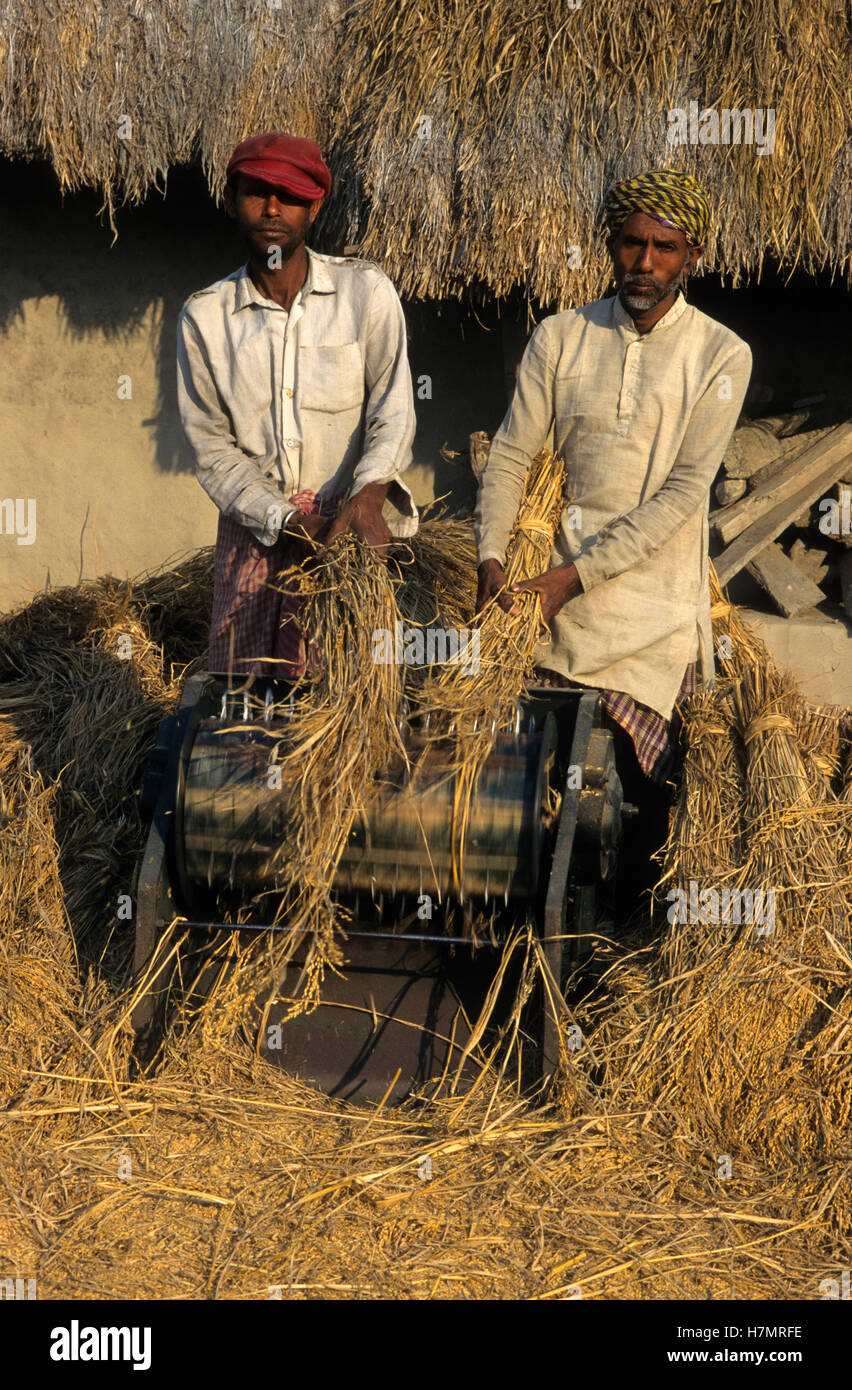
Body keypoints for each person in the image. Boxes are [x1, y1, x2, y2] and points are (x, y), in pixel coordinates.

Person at [475, 168, 752, 895]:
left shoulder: (721, 356)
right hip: (545, 608)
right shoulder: (561, 337)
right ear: (609, 244)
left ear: (692, 257)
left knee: (631, 811)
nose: (646, 263)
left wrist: (575, 579)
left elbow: (684, 496)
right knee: (525, 798)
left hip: (651, 611)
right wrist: (492, 557)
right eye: (632, 243)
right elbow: (511, 454)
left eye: (665, 248)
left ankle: (605, 947)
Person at [177, 131, 417, 677]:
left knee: (348, 697)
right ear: (231, 201)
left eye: (287, 196)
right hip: (256, 539)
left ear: (314, 206)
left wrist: (368, 495)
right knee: (245, 710)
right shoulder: (205, 317)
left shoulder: (365, 293)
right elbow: (212, 449)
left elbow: (394, 406)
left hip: (351, 537)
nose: (271, 209)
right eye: (255, 193)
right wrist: (284, 519)